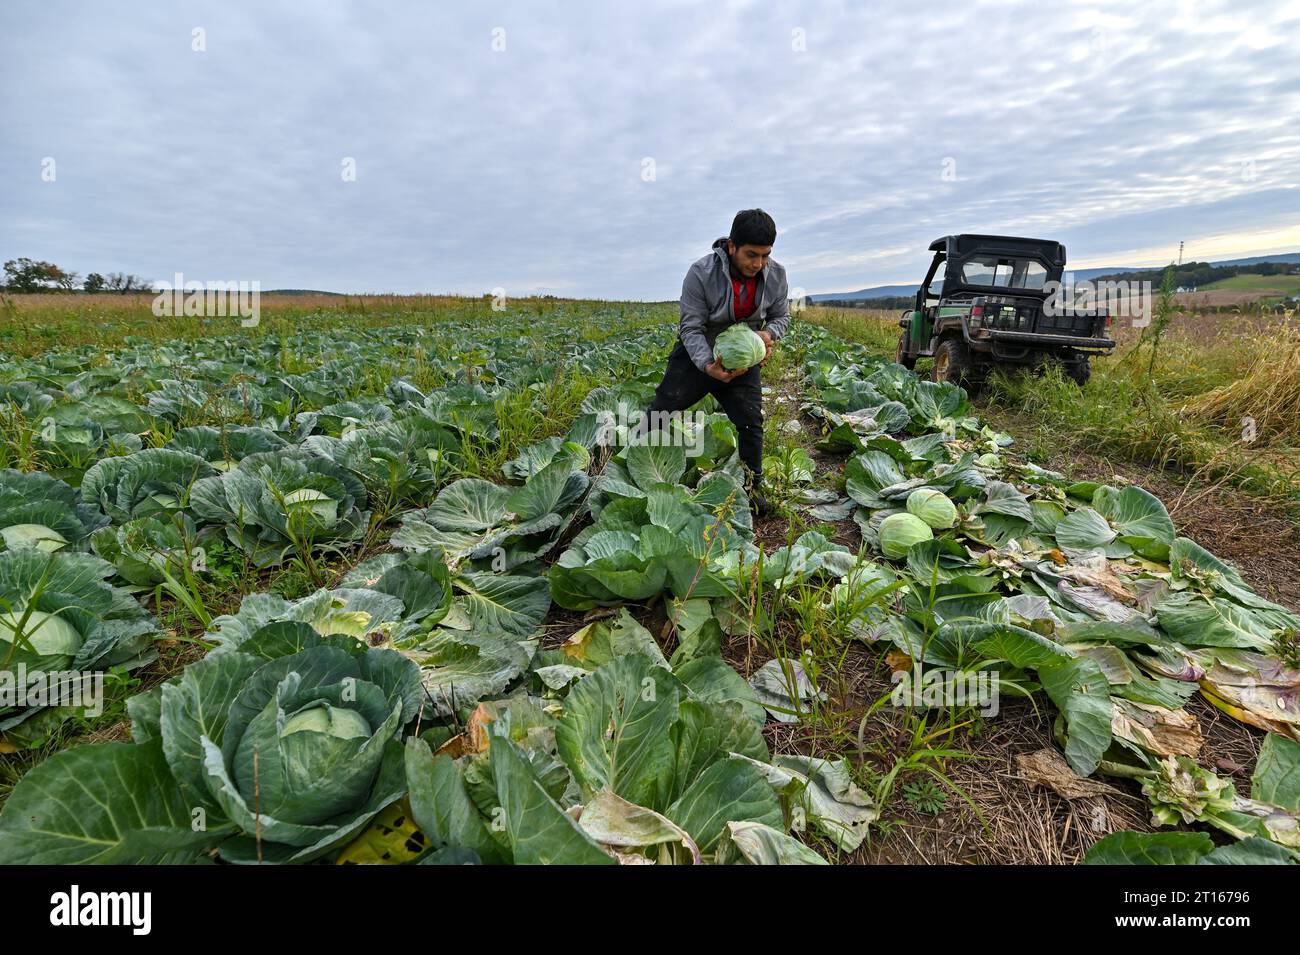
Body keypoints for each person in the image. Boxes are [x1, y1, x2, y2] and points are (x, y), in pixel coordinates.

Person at [639, 208, 791, 517]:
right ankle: (631, 460)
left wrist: (768, 334)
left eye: (765, 255)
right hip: (699, 352)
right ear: (732, 246)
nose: (758, 263)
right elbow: (690, 327)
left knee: (751, 423)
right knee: (663, 407)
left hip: (741, 359)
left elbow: (781, 316)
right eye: (751, 254)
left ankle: (752, 489)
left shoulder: (776, 274)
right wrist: (708, 365)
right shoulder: (701, 273)